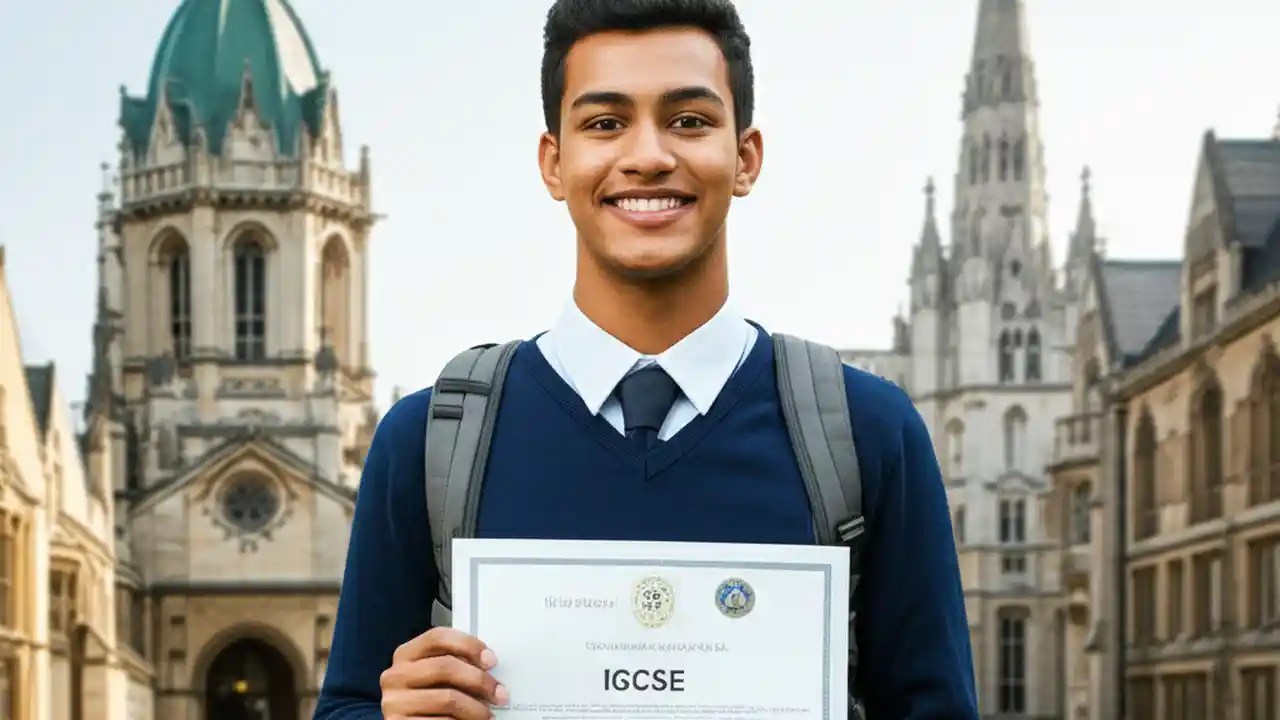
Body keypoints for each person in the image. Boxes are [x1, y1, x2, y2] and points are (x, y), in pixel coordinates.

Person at [313, 1, 978, 718]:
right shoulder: (427, 444)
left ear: (746, 157)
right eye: (605, 123)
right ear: (554, 162)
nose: (648, 154)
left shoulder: (868, 435)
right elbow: (348, 704)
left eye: (689, 120)